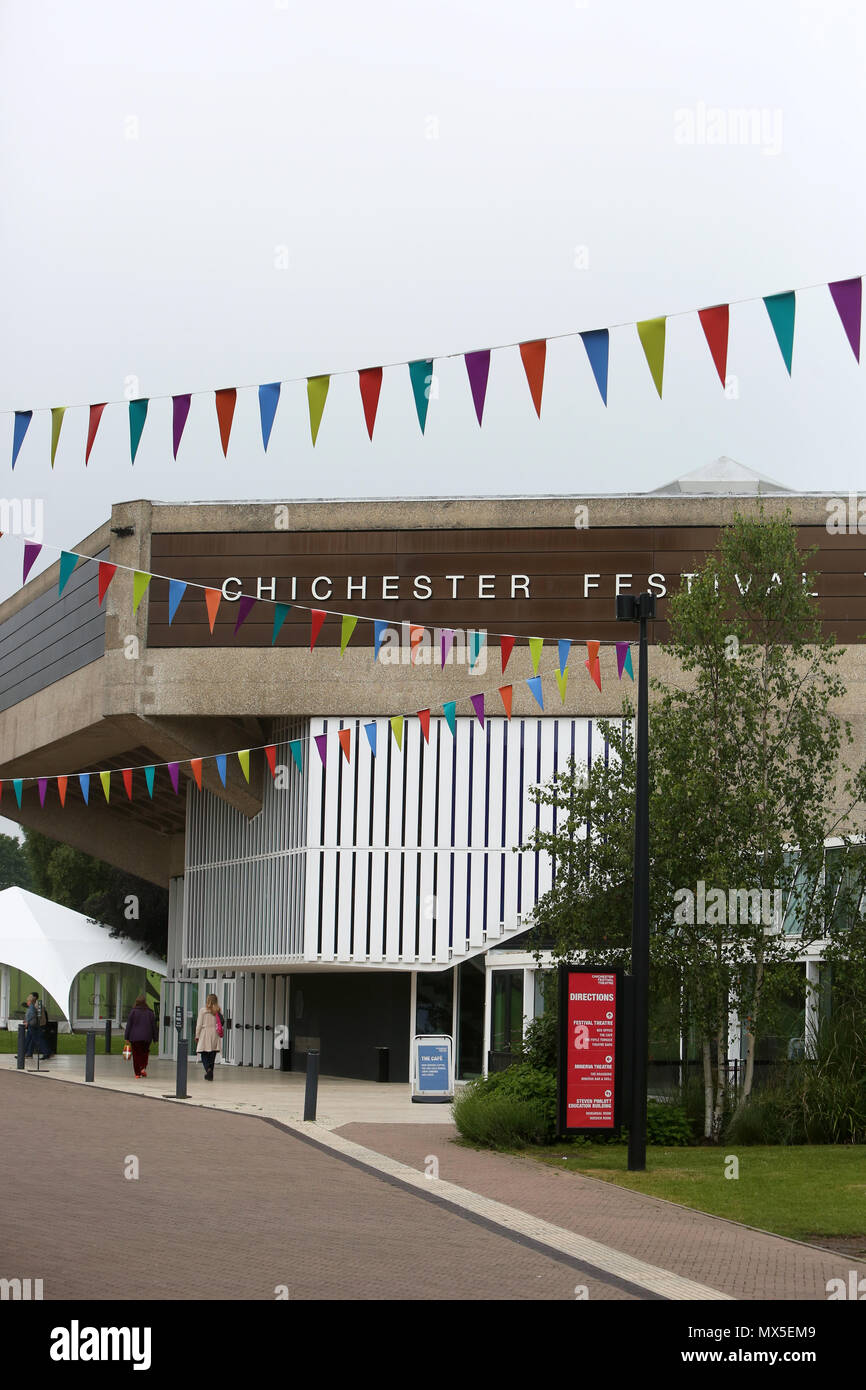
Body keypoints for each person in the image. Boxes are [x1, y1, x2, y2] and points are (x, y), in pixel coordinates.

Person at [124, 993, 159, 1078]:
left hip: (135, 1037)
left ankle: (137, 1073)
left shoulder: (133, 1012)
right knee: (145, 1053)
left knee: (136, 1055)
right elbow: (154, 1026)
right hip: (147, 1037)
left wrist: (126, 1037)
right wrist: (155, 1037)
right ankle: (143, 1067)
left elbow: (129, 1025)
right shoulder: (150, 1012)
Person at [195, 993, 223, 1081]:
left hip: (205, 1032)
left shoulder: (203, 1011)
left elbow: (199, 1024)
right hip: (215, 1033)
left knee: (203, 1053)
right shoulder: (218, 1011)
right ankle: (211, 1073)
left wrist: (197, 1035)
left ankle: (208, 1069)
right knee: (212, 1054)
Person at [24, 992, 50, 1061]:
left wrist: (28, 1021)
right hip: (34, 1025)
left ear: (34, 997)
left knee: (38, 1039)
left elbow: (37, 1016)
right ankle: (26, 1053)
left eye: (31, 996)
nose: (29, 997)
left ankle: (46, 1052)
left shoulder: (37, 1005)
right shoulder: (35, 1004)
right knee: (29, 1039)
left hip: (38, 1025)